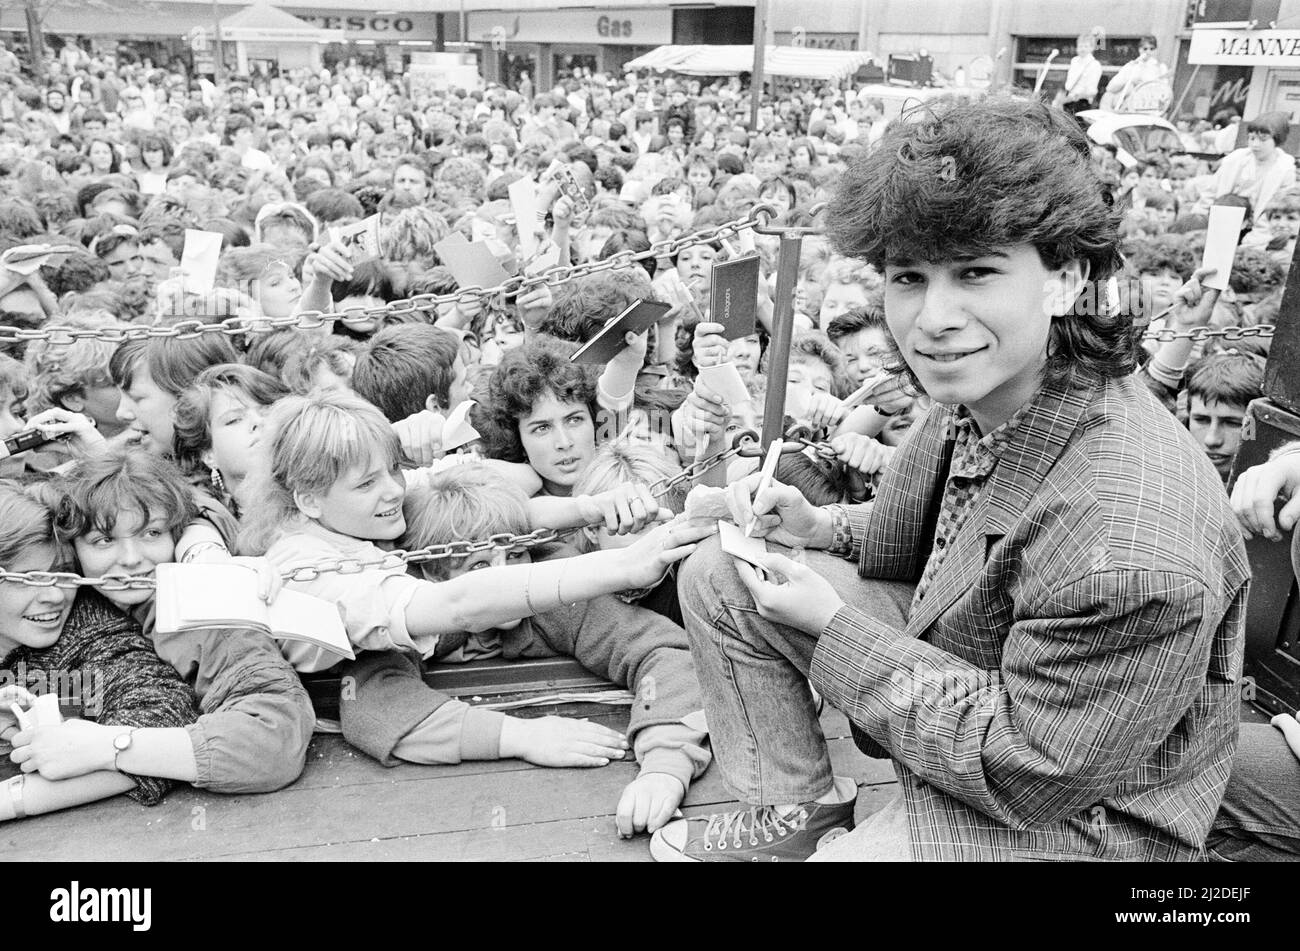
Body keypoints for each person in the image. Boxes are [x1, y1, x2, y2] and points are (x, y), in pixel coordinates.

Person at [651, 96, 1247, 862]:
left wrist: (833, 628)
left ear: (1064, 281)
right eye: (909, 277)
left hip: (1086, 812)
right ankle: (795, 809)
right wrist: (818, 527)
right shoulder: (991, 377)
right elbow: (958, 547)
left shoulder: (1128, 541)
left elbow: (1032, 769)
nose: (934, 316)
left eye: (975, 272)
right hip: (997, 683)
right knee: (725, 572)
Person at [1209, 112, 1297, 228]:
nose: (1255, 144)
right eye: (1252, 138)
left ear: (1277, 140)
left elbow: (1278, 211)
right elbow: (1210, 192)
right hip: (1222, 221)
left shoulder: (1285, 169)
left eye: (1263, 140)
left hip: (1259, 228)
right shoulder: (1234, 160)